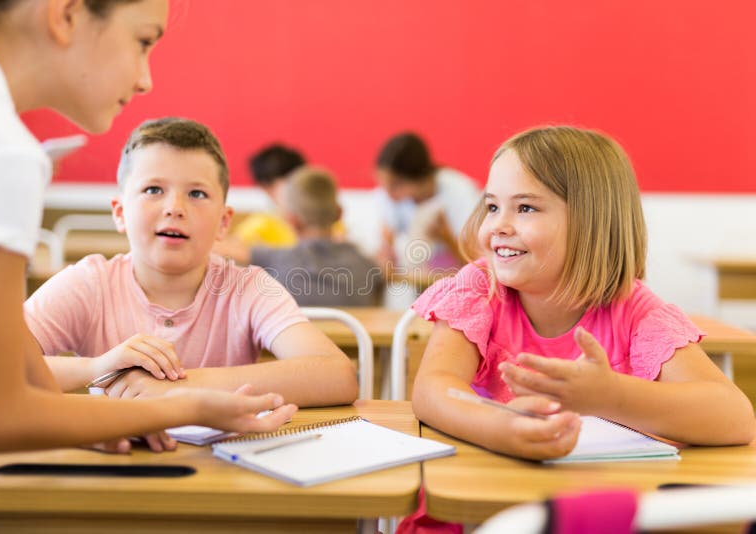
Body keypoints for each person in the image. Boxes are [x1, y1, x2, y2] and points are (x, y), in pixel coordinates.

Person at [0, 0, 295, 454]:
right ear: (66, 15)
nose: (145, 80)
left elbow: (24, 373)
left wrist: (94, 421)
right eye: (142, 42)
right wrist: (185, 407)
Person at [399, 126, 756, 532]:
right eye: (492, 206)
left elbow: (734, 417)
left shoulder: (637, 313)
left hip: (585, 513)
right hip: (480, 512)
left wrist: (611, 397)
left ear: (592, 223)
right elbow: (432, 390)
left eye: (525, 208)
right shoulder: (480, 290)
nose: (497, 224)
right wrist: (500, 427)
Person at [25, 118, 359, 430]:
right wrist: (97, 367)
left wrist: (180, 389)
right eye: (153, 190)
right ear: (120, 212)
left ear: (224, 223)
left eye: (197, 194)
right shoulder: (89, 283)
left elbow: (337, 375)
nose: (175, 208)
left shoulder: (247, 288)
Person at [248, 166, 384, 306]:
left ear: (292, 220)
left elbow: (236, 253)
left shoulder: (274, 259)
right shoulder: (366, 266)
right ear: (339, 213)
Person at [374, 132, 480, 280]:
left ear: (418, 177)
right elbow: (386, 247)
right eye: (384, 185)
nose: (389, 193)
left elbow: (476, 260)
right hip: (418, 275)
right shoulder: (388, 197)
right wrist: (386, 251)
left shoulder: (459, 192)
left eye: (395, 184)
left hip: (456, 275)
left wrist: (446, 237)